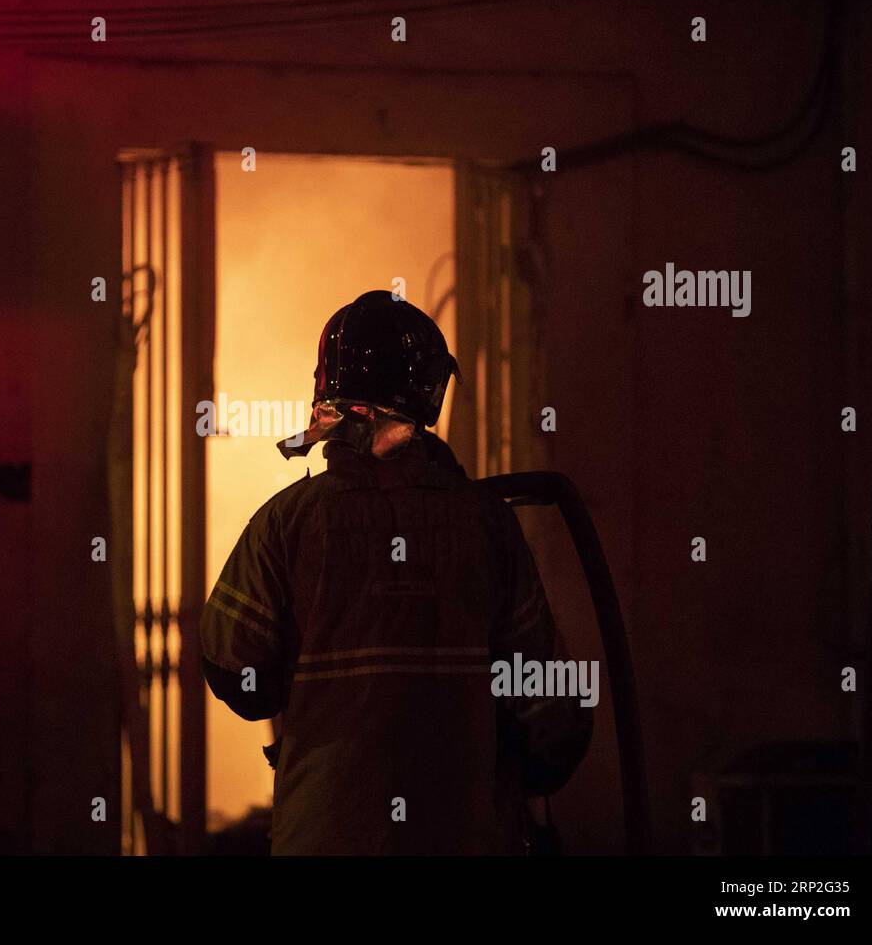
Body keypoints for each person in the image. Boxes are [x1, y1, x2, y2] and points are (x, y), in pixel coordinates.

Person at [199, 290, 592, 855]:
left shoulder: (285, 524)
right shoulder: (486, 525)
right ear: (428, 394)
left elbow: (236, 673)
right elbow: (552, 715)